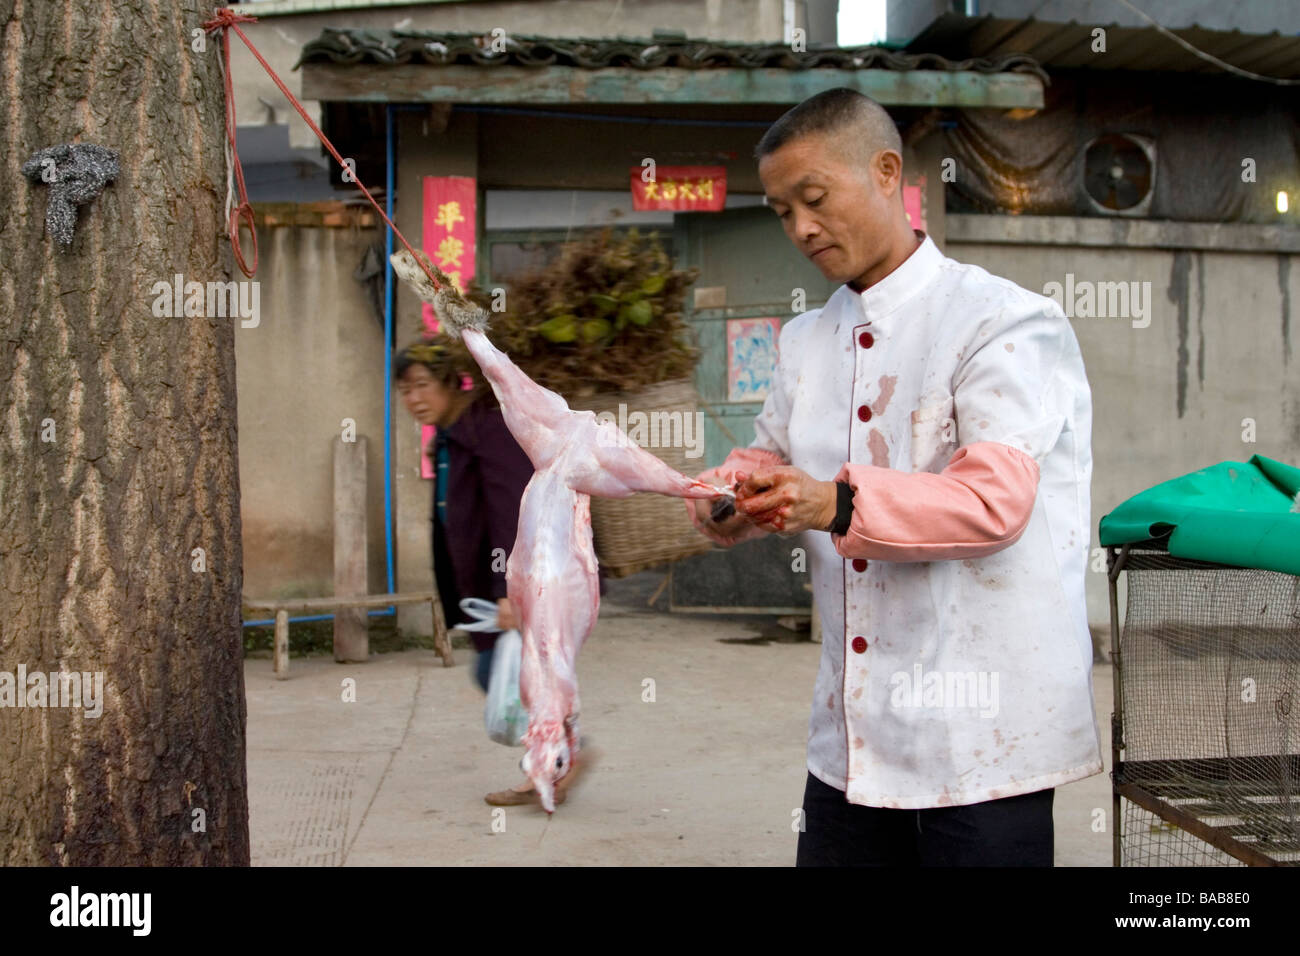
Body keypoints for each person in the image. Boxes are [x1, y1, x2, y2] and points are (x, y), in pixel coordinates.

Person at [687, 88, 1102, 866]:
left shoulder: (1003, 322)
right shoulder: (806, 341)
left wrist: (832, 502)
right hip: (852, 736)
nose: (801, 228)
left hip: (983, 734)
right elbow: (766, 456)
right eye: (781, 211)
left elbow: (992, 505)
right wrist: (725, 500)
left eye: (814, 198)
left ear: (886, 172)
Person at [395, 338, 591, 807]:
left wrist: (512, 589)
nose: (413, 399)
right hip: (479, 585)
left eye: (422, 385)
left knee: (505, 675)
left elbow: (512, 506)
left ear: (451, 381)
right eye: (404, 389)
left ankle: (555, 762)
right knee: (505, 675)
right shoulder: (452, 434)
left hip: (510, 580)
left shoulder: (488, 426)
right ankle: (557, 759)